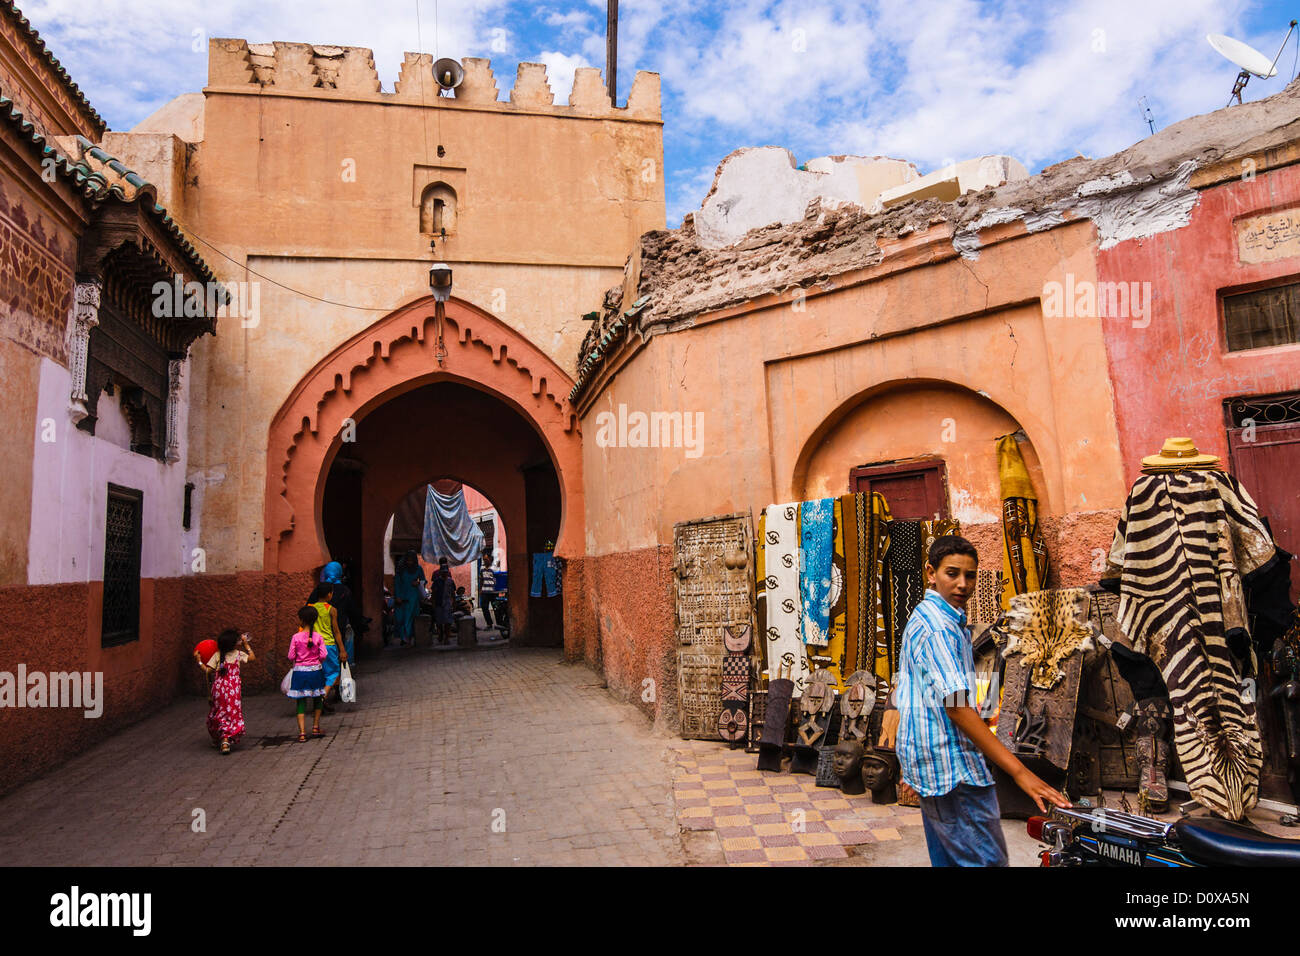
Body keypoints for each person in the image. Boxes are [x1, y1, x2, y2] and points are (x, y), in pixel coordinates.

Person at [893, 534, 1069, 866]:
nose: (962, 584)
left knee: (950, 859)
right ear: (930, 572)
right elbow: (958, 708)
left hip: (936, 763)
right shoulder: (940, 629)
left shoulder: (937, 617)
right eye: (952, 573)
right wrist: (1020, 773)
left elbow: (918, 695)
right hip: (952, 768)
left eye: (970, 575)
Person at [199, 628, 254, 755]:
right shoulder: (238, 654)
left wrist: (199, 661)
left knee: (219, 712)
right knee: (231, 713)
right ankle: (225, 740)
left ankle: (218, 737)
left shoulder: (217, 655)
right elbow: (252, 658)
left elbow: (208, 671)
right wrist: (246, 645)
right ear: (234, 644)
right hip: (233, 691)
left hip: (219, 690)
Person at [286, 606, 329, 741]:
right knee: (318, 698)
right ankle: (315, 727)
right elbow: (324, 655)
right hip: (316, 671)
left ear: (302, 620)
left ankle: (302, 733)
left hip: (300, 673)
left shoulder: (296, 637)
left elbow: (291, 656)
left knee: (301, 702)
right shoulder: (318, 637)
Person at [308, 582, 348, 708]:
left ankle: (320, 700)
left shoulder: (311, 609)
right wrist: (342, 650)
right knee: (334, 673)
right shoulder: (331, 610)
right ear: (329, 594)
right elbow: (336, 632)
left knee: (320, 673)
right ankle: (322, 698)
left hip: (314, 646)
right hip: (328, 645)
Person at [320, 560, 362, 666]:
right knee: (347, 636)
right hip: (340, 626)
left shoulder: (320, 589)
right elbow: (352, 609)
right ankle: (347, 664)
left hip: (322, 629)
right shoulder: (344, 590)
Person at [392, 551, 424, 646]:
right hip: (401, 596)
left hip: (412, 597)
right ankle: (403, 636)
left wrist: (418, 583)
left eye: (411, 560)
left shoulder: (418, 569)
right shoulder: (401, 569)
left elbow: (423, 580)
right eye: (408, 560)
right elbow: (397, 583)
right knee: (400, 618)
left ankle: (407, 638)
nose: (409, 562)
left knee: (410, 618)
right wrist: (397, 596)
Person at [431, 557, 454, 644]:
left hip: (445, 602)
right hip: (440, 601)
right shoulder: (438, 581)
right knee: (440, 621)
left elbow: (452, 592)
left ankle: (445, 637)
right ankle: (442, 635)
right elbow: (434, 591)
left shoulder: (449, 581)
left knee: (445, 621)